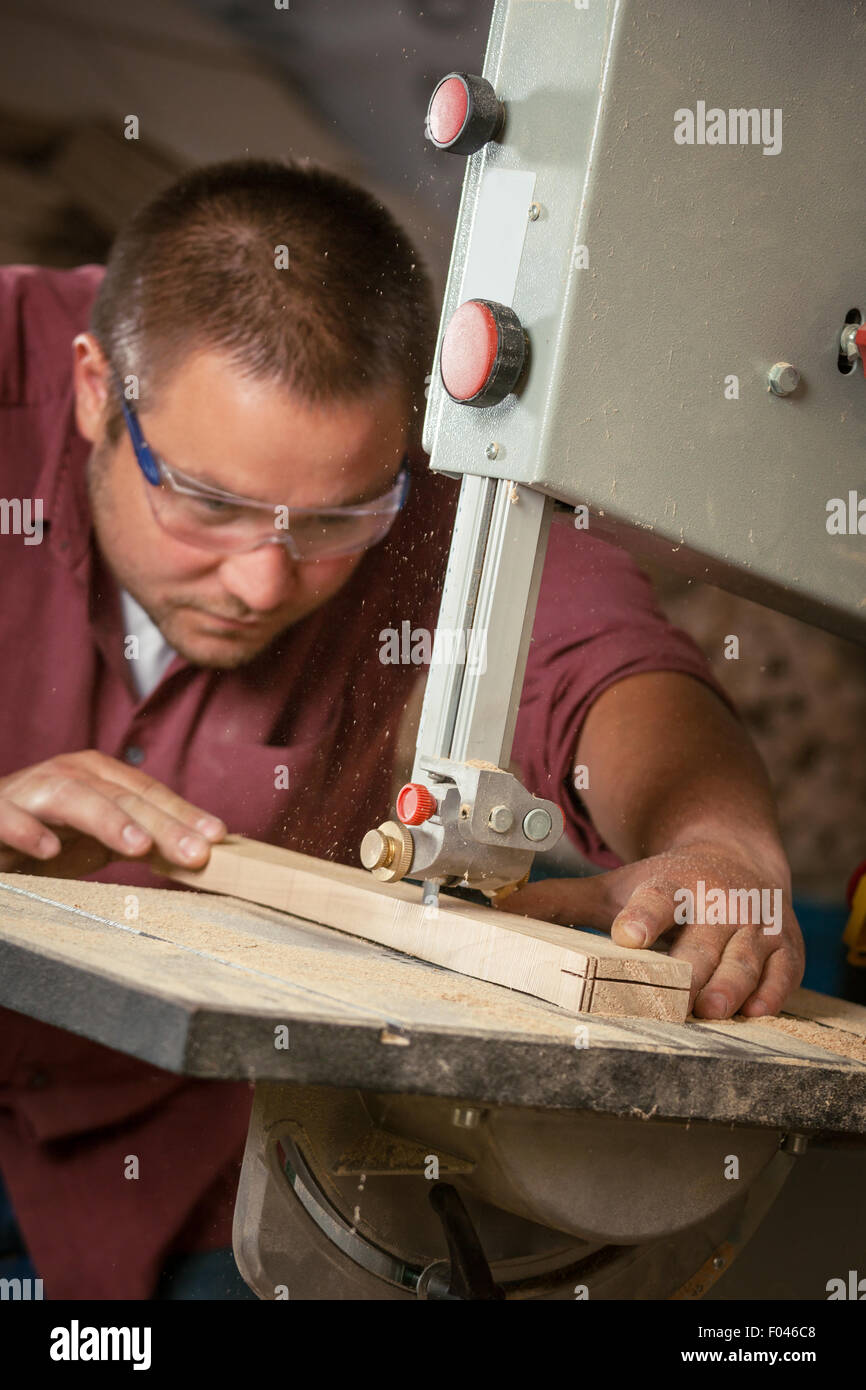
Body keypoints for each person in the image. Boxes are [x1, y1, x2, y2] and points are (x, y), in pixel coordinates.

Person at [0, 159, 804, 1299]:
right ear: (94, 389)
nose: (263, 580)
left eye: (334, 521)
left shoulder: (433, 477)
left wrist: (720, 843)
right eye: (211, 504)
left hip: (194, 1154)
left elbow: (599, 653)